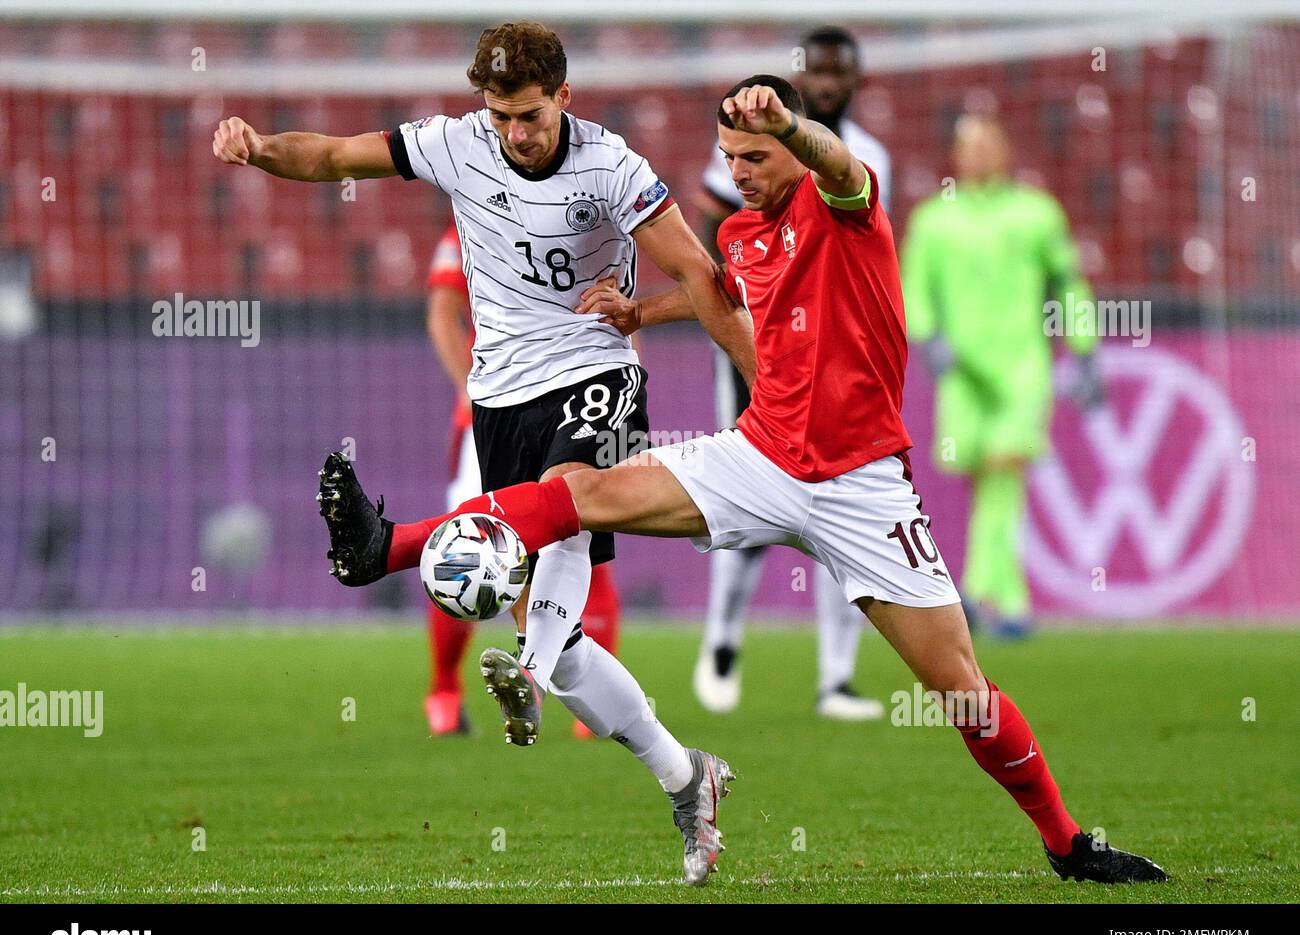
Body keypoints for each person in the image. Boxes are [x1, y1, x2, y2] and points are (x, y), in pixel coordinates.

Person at [319, 75, 1166, 885]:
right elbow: (724, 289)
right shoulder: (739, 232)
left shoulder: (847, 205)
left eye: (756, 157)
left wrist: (796, 129)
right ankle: (382, 548)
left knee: (962, 693)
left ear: (792, 148)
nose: (739, 174)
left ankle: (1067, 842)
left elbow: (836, 161)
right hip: (759, 455)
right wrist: (638, 311)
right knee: (581, 491)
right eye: (730, 158)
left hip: (861, 482)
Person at [215, 21, 753, 885]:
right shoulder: (455, 146)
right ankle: (686, 775)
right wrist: (259, 149)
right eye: (500, 114)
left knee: (570, 497)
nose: (515, 132)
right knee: (563, 629)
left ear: (565, 98)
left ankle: (511, 660)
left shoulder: (612, 169)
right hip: (500, 397)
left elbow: (702, 273)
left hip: (595, 372)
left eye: (531, 114)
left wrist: (768, 391)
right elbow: (333, 158)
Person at [693, 25, 891, 720]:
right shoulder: (752, 139)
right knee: (745, 510)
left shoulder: (867, 157)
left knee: (845, 525)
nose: (742, 168)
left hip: (841, 366)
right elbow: (728, 252)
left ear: (857, 78)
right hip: (766, 351)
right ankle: (720, 643)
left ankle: (836, 676)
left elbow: (862, 236)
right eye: (821, 69)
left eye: (843, 68)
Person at [901, 114, 1101, 637]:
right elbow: (914, 288)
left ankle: (970, 590)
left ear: (1007, 150)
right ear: (955, 157)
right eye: (970, 145)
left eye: (990, 142)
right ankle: (1011, 606)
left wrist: (1083, 349)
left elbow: (1068, 282)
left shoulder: (1037, 213)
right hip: (963, 374)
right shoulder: (932, 220)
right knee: (986, 479)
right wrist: (928, 338)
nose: (981, 153)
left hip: (1021, 368)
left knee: (1004, 465)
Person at [422, 225, 620, 737]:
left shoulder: (594, 225)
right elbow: (444, 312)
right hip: (496, 417)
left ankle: (588, 706)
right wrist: (468, 388)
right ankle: (444, 688)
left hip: (579, 410)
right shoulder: (469, 222)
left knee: (584, 542)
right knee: (467, 551)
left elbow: (620, 315)